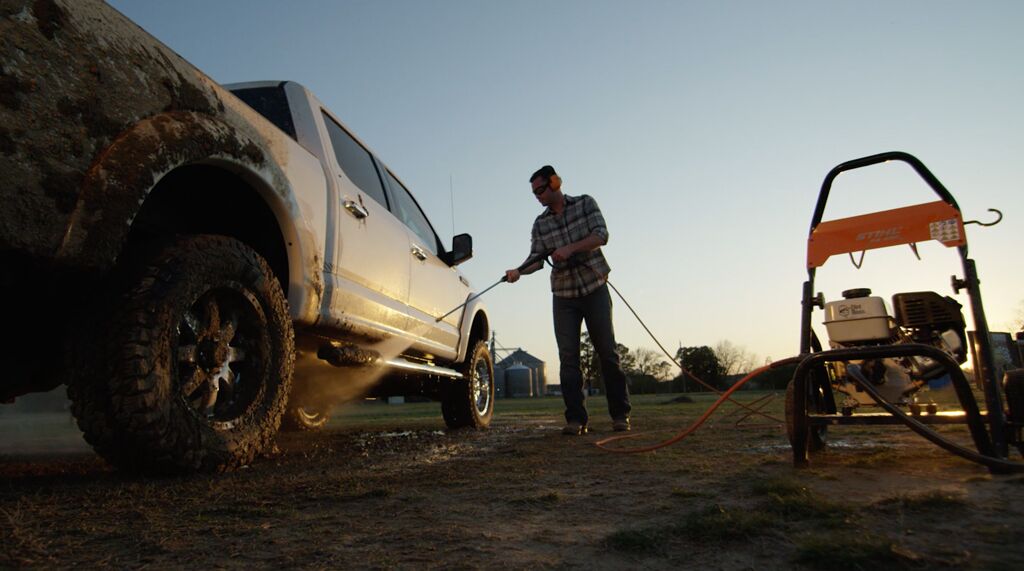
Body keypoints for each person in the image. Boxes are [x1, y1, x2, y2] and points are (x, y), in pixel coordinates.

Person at [504, 165, 631, 435]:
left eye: (540, 189)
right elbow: (535, 261)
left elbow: (601, 235)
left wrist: (569, 248)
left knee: (607, 353)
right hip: (563, 296)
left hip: (594, 288)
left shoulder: (585, 203)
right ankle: (575, 420)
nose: (537, 195)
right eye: (534, 192)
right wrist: (518, 271)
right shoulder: (540, 224)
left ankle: (620, 416)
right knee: (568, 358)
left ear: (555, 183)